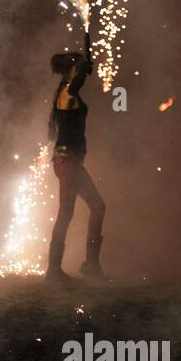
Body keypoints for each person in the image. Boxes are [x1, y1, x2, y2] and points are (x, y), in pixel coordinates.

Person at [46, 27, 106, 281]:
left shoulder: (65, 93)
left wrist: (85, 68)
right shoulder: (66, 94)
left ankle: (84, 265)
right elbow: (78, 82)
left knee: (93, 207)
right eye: (78, 67)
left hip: (68, 161)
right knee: (72, 211)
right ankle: (55, 269)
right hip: (68, 162)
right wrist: (85, 67)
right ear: (72, 71)